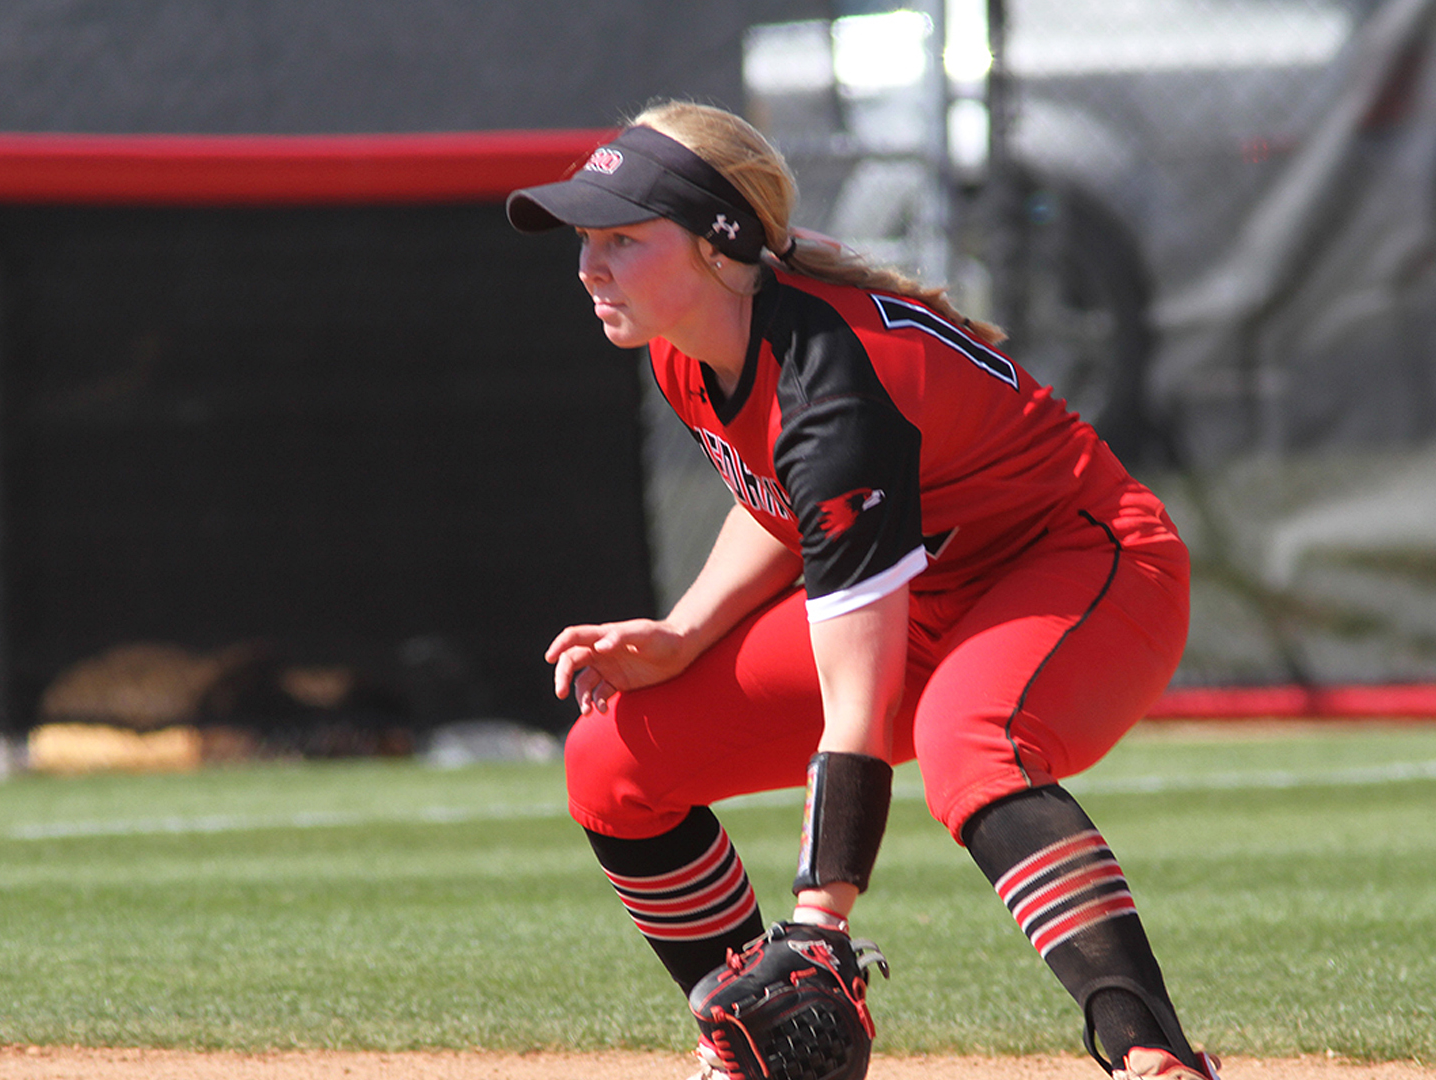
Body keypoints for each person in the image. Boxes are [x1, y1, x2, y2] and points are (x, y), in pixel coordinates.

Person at [507, 101, 1215, 1080]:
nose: (590, 266)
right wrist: (684, 632)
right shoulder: (692, 347)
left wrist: (820, 920)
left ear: (718, 246)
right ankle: (765, 1042)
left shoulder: (831, 381)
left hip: (1081, 568)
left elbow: (858, 695)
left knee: (971, 745)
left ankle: (1152, 1056)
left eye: (622, 238)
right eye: (587, 239)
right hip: (928, 591)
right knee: (612, 767)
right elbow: (777, 501)